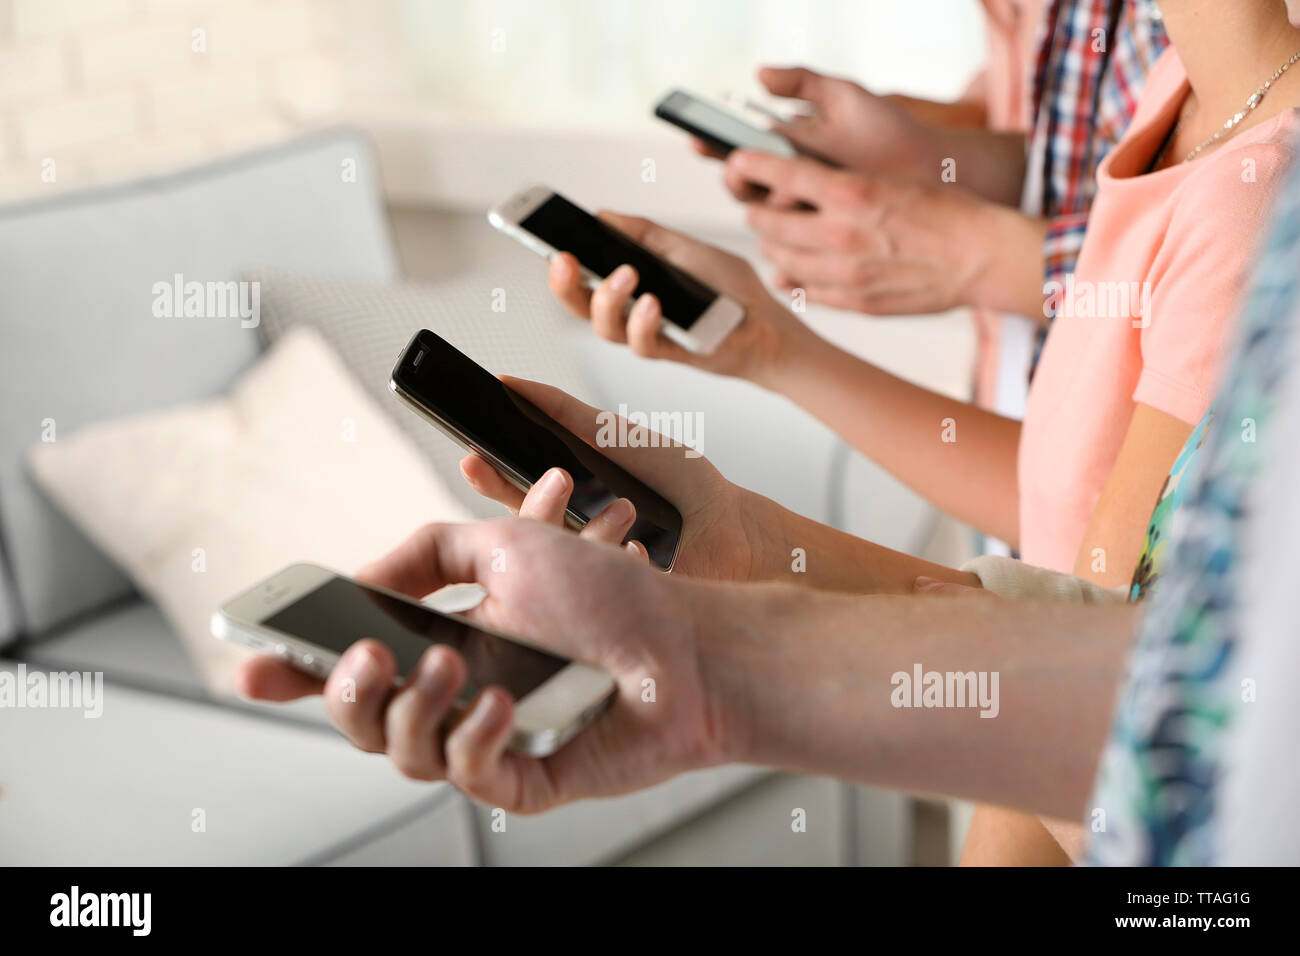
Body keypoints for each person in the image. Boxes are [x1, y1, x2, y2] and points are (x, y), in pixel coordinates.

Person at [539, 0, 1300, 863]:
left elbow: (1094, 702)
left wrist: (728, 649)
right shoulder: (1181, 96)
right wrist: (767, 361)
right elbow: (1063, 537)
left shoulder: (1258, 194)